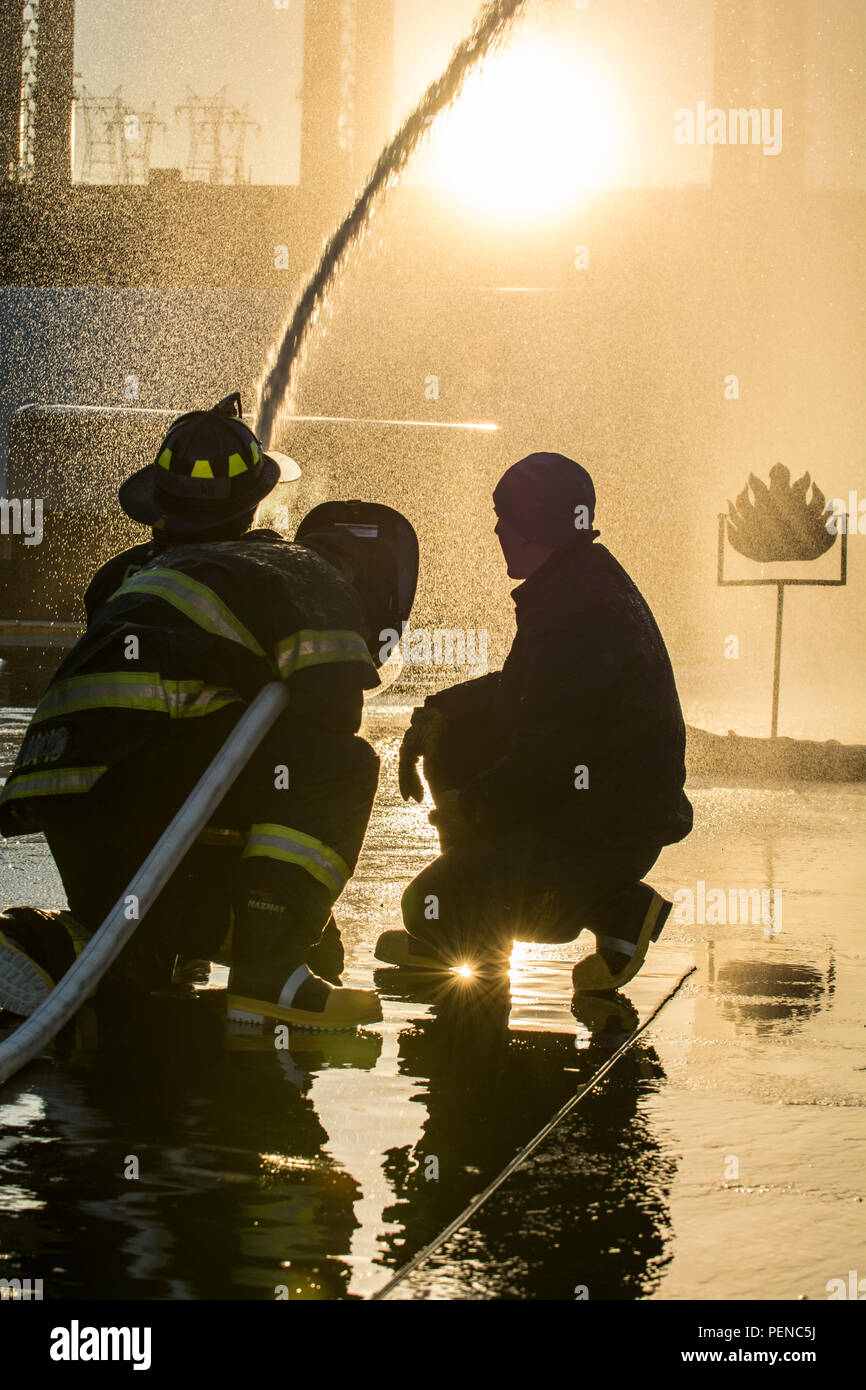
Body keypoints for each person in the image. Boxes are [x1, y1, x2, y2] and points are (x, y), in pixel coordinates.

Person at [0, 393, 418, 1031]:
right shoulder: (284, 570)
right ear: (253, 503)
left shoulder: (119, 576)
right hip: (151, 782)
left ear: (158, 504)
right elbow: (336, 710)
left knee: (131, 938)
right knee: (342, 765)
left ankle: (52, 946)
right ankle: (268, 976)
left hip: (65, 787)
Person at [375, 452, 692, 992]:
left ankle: (478, 930)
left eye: (507, 516)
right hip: (602, 811)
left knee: (427, 906)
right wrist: (437, 711)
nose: (497, 528)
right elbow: (521, 690)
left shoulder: (578, 612)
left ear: (538, 525)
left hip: (606, 825)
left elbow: (549, 754)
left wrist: (468, 810)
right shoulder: (573, 583)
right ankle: (611, 908)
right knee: (455, 733)